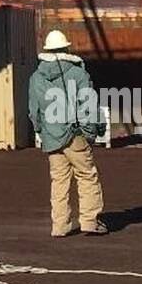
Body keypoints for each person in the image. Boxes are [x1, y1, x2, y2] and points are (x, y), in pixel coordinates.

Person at [28, 30, 108, 237]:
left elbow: (34, 110)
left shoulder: (36, 77)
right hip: (75, 134)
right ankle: (90, 221)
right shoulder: (79, 73)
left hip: (51, 135)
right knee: (86, 175)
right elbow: (89, 104)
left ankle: (60, 226)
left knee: (59, 180)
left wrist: (40, 130)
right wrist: (96, 128)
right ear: (66, 48)